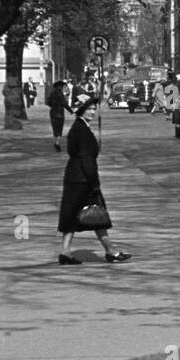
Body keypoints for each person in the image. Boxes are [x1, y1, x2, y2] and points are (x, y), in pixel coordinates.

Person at [58, 94, 131, 265]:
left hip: (73, 177)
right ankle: (110, 252)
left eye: (93, 108)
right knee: (98, 215)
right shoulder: (82, 130)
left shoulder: (79, 126)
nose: (92, 111)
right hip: (83, 179)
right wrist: (94, 183)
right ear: (81, 111)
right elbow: (87, 159)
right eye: (88, 109)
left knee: (73, 215)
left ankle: (65, 251)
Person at [46, 80, 73, 151]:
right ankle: (57, 143)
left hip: (53, 112)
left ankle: (56, 142)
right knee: (59, 128)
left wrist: (53, 106)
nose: (62, 87)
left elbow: (48, 102)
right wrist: (71, 111)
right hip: (59, 113)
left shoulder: (52, 94)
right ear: (58, 87)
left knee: (55, 127)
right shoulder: (60, 94)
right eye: (61, 86)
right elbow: (64, 104)